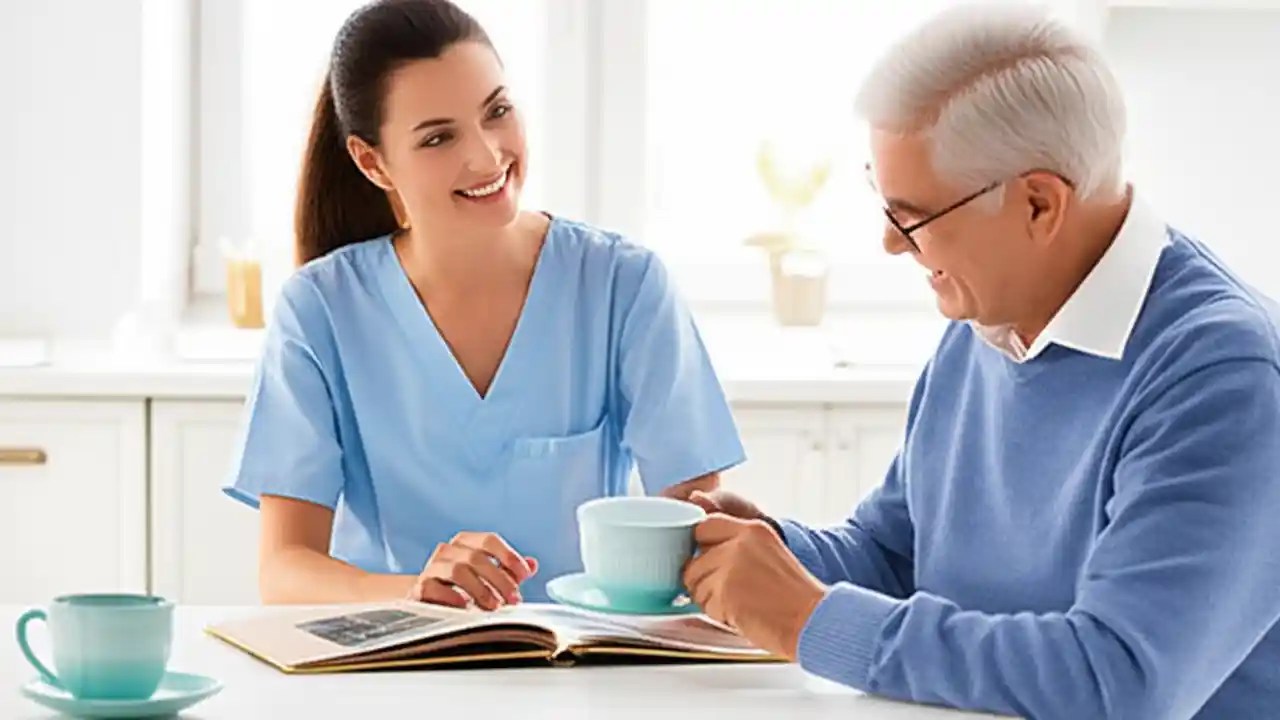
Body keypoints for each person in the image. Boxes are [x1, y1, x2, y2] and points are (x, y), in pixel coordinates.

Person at [682, 5, 1280, 719]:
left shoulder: (1226, 377)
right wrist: (769, 552)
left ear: (1038, 205)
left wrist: (807, 619)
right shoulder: (993, 313)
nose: (891, 243)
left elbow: (1119, 682)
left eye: (913, 217)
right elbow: (898, 555)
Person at [222, 0, 744, 609]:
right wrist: (418, 593)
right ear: (373, 162)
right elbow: (285, 569)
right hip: (390, 650)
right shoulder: (319, 310)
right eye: (438, 137)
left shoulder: (623, 285)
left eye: (496, 111)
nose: (488, 156)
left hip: (578, 655)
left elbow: (697, 539)